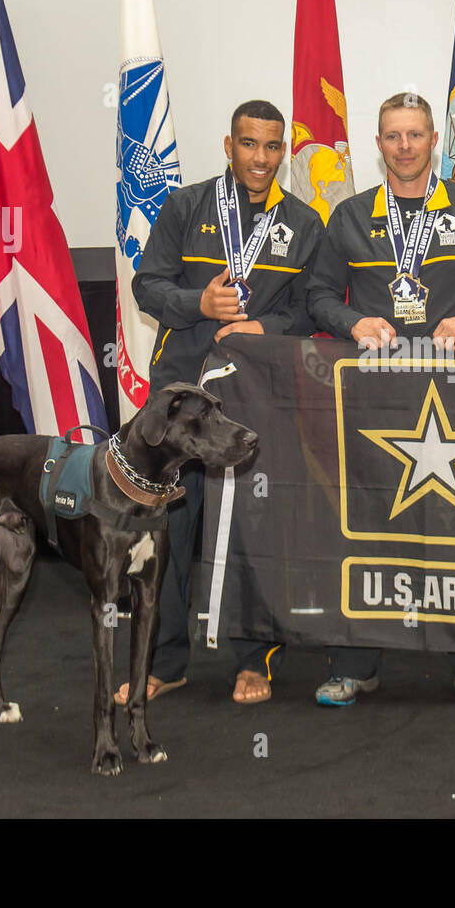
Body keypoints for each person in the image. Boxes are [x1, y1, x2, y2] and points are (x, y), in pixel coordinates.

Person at [307, 92, 455, 707]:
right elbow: (318, 296)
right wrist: (352, 322)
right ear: (377, 144)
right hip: (373, 401)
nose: (404, 146)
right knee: (370, 521)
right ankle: (355, 661)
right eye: (392, 136)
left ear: (435, 140)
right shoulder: (349, 216)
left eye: (415, 135)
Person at [115, 99, 322, 706]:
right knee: (169, 528)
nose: (261, 158)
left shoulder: (305, 223)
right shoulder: (184, 207)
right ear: (228, 147)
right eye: (250, 144)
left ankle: (253, 659)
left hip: (256, 396)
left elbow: (313, 308)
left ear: (283, 152)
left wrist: (268, 327)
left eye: (272, 146)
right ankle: (165, 660)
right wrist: (197, 306)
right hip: (180, 401)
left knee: (250, 528)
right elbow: (146, 286)